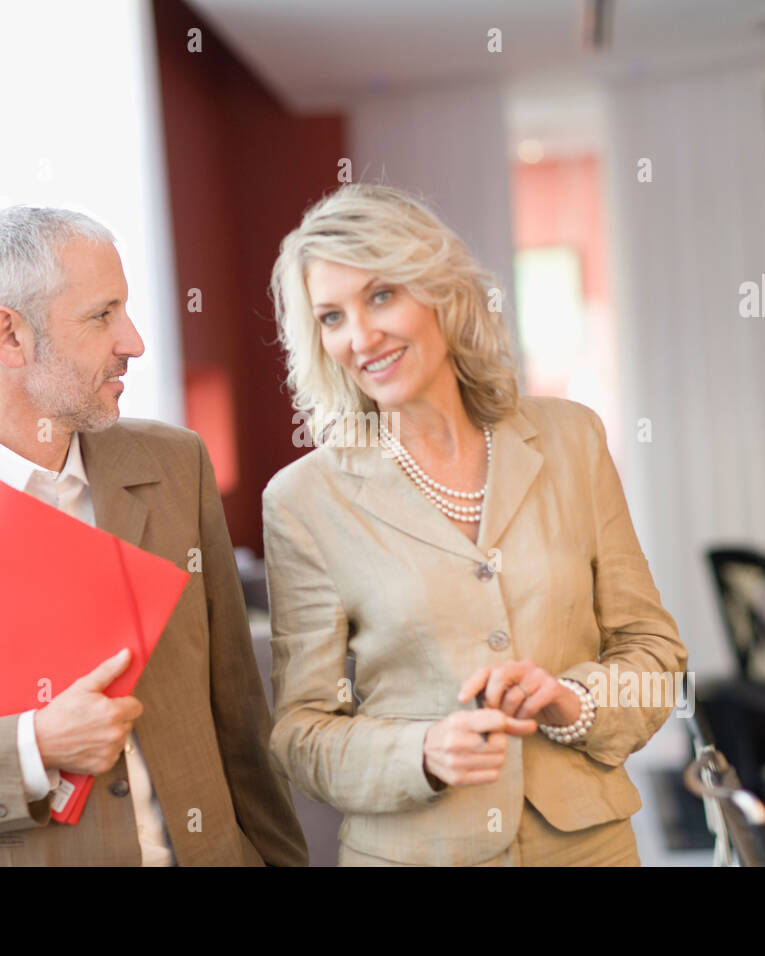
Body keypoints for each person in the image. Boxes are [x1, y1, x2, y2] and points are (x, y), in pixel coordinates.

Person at [0, 206, 307, 866]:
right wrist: (32, 746)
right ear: (9, 336)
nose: (132, 341)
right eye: (102, 316)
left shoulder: (175, 466)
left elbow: (238, 711)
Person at [262, 184, 688, 866]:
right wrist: (420, 752)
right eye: (332, 317)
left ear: (440, 290)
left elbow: (654, 654)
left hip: (587, 849)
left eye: (380, 296)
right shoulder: (303, 500)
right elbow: (299, 736)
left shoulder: (570, 439)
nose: (361, 338)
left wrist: (572, 700)